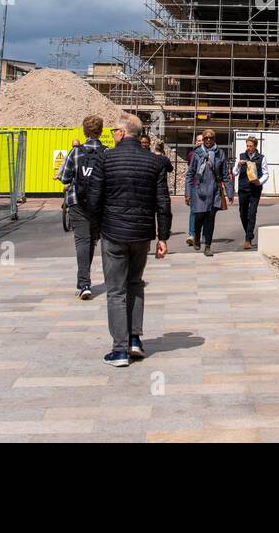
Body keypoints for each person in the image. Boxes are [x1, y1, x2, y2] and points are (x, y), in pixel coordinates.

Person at [79, 113, 171, 367]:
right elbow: (163, 203)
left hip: (113, 232)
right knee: (135, 284)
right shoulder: (155, 162)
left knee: (116, 290)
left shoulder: (105, 159)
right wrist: (163, 236)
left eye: (113, 131)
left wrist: (96, 230)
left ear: (121, 133)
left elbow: (94, 200)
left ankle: (119, 350)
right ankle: (134, 339)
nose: (112, 135)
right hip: (142, 235)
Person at [59, 114, 104, 300]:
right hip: (97, 203)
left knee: (82, 241)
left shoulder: (75, 152)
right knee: (92, 240)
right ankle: (84, 280)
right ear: (101, 131)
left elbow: (65, 178)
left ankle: (84, 283)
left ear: (84, 131)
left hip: (77, 201)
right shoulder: (106, 152)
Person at [186, 128, 231, 256]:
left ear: (214, 139)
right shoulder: (197, 153)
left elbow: (224, 174)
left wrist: (230, 191)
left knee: (210, 220)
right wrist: (188, 193)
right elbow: (190, 175)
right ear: (203, 139)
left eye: (211, 138)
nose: (208, 140)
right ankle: (197, 235)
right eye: (206, 138)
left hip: (214, 192)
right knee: (199, 217)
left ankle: (208, 246)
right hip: (199, 191)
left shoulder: (220, 153)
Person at [233, 136, 269, 250]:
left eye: (251, 146)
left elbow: (266, 173)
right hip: (243, 188)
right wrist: (238, 165)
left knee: (252, 213)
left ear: (255, 146)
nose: (248, 148)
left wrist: (260, 182)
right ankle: (249, 233)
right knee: (243, 213)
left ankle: (248, 239)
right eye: (247, 146)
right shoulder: (241, 156)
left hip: (255, 189)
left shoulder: (261, 158)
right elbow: (234, 172)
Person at [184, 133, 203, 247]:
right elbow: (189, 174)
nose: (199, 142)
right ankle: (192, 234)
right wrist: (187, 192)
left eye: (201, 140)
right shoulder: (191, 154)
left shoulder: (210, 153)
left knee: (204, 213)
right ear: (195, 142)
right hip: (194, 186)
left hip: (205, 187)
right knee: (193, 211)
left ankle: (203, 234)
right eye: (198, 140)